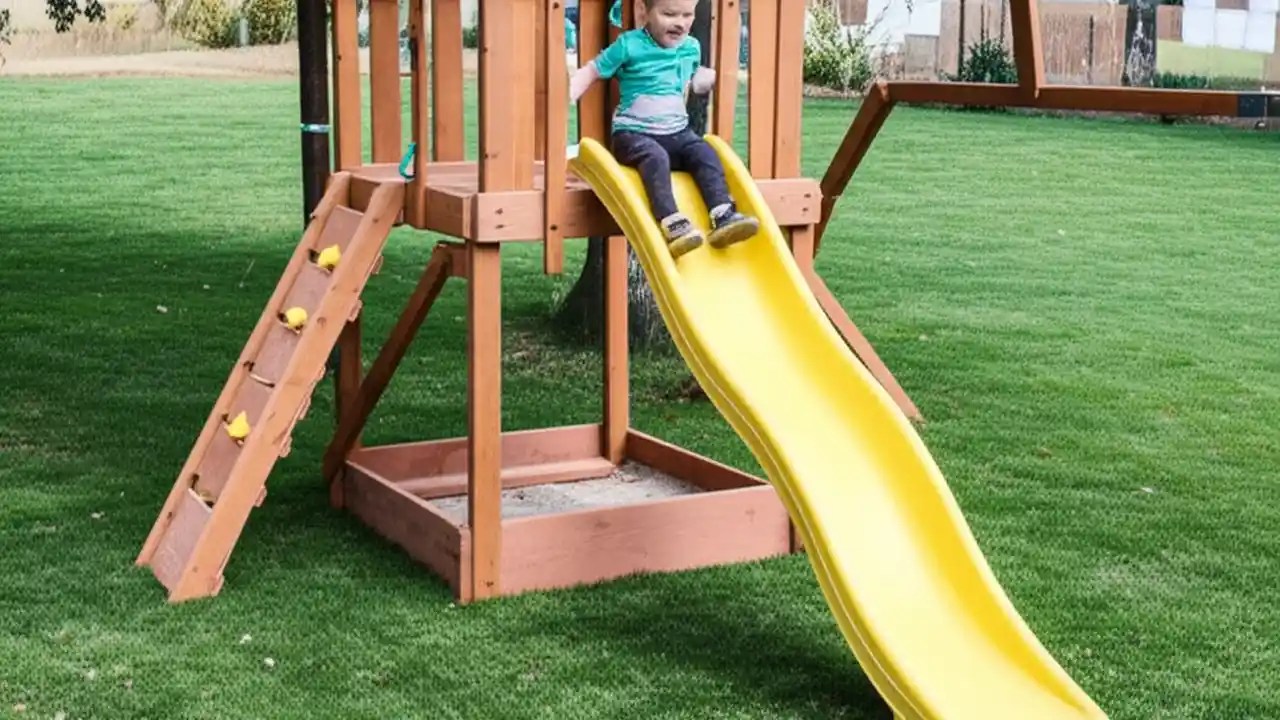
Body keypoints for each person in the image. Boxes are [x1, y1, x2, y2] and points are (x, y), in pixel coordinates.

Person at [569, 0, 759, 259]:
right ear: (645, 13)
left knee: (704, 152)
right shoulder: (630, 44)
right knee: (654, 157)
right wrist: (572, 88)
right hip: (633, 134)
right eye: (669, 14)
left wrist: (708, 79)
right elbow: (594, 68)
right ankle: (671, 221)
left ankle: (722, 212)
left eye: (687, 14)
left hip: (676, 133)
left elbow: (690, 79)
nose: (679, 22)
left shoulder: (691, 47)